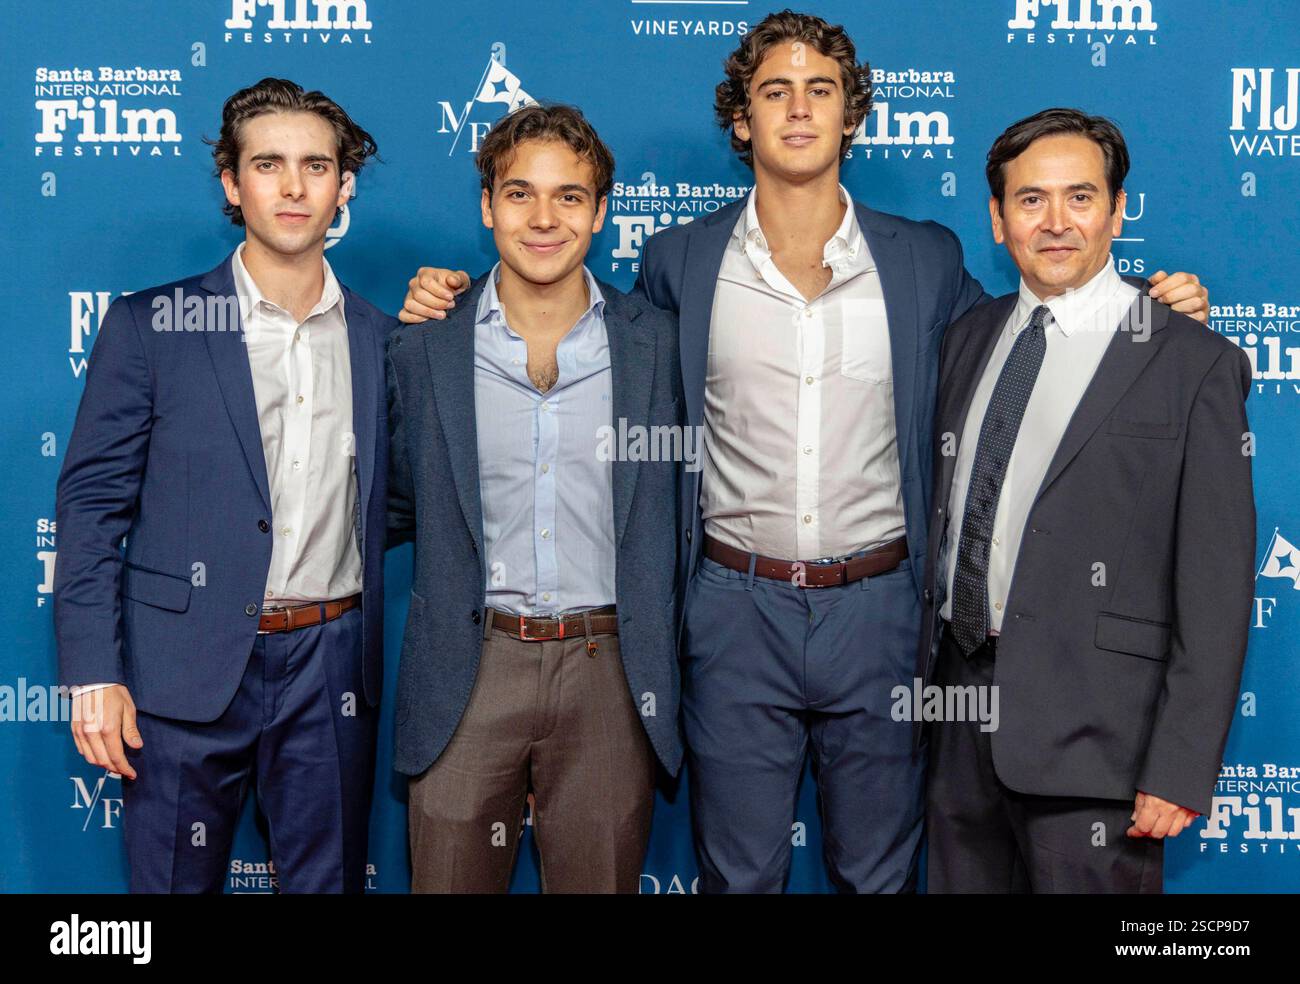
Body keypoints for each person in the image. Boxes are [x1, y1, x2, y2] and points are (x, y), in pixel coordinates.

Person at [396, 11, 1210, 893]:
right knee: (738, 873)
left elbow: (1032, 333)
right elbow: (578, 323)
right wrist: (447, 299)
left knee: (880, 872)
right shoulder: (681, 262)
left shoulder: (924, 261)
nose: (797, 108)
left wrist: (1144, 315)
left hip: (883, 612)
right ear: (741, 119)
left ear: (850, 114)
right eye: (773, 91)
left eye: (820, 90)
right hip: (732, 606)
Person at [55, 77, 395, 893]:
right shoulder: (150, 325)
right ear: (231, 183)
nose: (292, 186)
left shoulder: (385, 340)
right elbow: (93, 508)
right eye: (268, 164)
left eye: (316, 166)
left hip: (330, 664)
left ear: (343, 188)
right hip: (182, 670)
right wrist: (95, 675)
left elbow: (402, 501)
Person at [918, 108, 1254, 893]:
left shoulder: (1190, 360)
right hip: (957, 726)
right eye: (1031, 201)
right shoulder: (969, 336)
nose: (1057, 222)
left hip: (1105, 744)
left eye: (1081, 197)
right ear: (998, 221)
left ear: (1117, 210)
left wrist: (1180, 763)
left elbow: (1216, 582)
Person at [386, 103, 684, 893]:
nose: (544, 218)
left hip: (610, 673)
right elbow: (383, 504)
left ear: (600, 211)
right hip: (466, 670)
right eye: (519, 194)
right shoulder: (422, 346)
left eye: (569, 196)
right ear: (487, 207)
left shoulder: (659, 345)